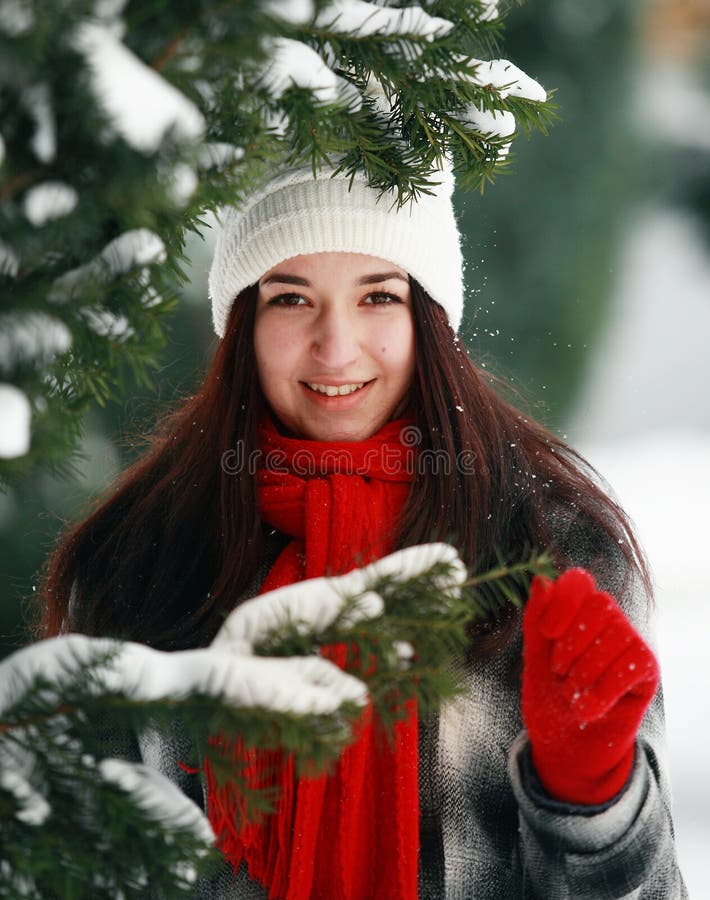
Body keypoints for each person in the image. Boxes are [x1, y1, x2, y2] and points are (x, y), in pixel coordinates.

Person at [38, 161, 687, 899]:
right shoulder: (138, 565)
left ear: (430, 318)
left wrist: (591, 796)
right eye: (291, 299)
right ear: (243, 324)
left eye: (379, 295)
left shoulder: (551, 551)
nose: (336, 348)